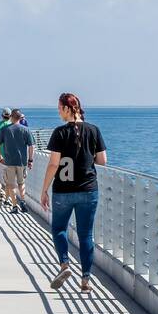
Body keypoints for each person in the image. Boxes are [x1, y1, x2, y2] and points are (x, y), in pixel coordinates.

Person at [40, 92, 107, 294]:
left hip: (63, 191)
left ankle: (64, 264)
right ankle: (85, 280)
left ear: (67, 109)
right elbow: (102, 161)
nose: (58, 112)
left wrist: (44, 189)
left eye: (59, 108)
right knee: (85, 235)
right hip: (88, 190)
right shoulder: (93, 130)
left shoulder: (59, 133)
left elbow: (54, 164)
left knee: (59, 229)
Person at [0, 109, 35, 212]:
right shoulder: (26, 130)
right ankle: (22, 201)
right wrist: (30, 160)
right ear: (20, 118)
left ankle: (14, 206)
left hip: (9, 162)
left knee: (11, 184)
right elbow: (31, 146)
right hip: (22, 162)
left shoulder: (4, 129)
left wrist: (0, 157)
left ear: (11, 117)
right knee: (21, 183)